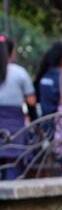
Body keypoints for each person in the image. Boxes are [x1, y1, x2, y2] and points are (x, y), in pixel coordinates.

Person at [0, 34, 36, 179]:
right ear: (12, 52)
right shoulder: (20, 73)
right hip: (14, 126)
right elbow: (32, 101)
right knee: (13, 163)